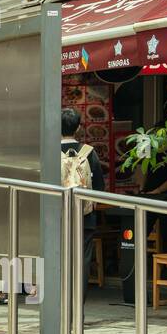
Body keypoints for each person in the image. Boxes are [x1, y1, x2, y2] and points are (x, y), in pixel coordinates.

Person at [61, 108, 105, 302]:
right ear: (78, 127)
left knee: (57, 257)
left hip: (56, 217)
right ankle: (77, 303)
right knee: (82, 261)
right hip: (84, 217)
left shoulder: (48, 152)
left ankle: (58, 301)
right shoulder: (89, 153)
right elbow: (100, 188)